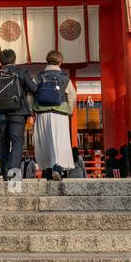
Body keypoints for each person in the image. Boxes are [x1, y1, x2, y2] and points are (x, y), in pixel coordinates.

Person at [0, 49, 38, 180]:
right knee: (17, 142)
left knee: (3, 143)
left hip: (0, 115)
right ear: (14, 60)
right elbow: (34, 89)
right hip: (18, 114)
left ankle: (4, 175)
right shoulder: (21, 73)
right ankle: (13, 175)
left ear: (0, 61)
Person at [31, 50, 76, 180]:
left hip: (42, 113)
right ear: (60, 62)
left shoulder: (39, 76)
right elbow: (72, 95)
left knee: (45, 141)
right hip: (60, 113)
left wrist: (33, 109)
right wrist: (69, 110)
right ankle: (58, 168)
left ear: (47, 60)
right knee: (60, 141)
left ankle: (47, 169)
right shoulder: (64, 78)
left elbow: (30, 94)